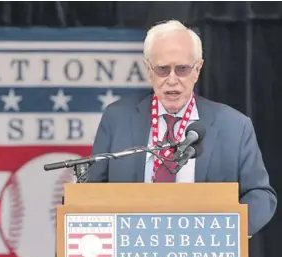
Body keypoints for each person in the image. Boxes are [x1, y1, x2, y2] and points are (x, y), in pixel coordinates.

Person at [88, 20, 276, 235]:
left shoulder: (234, 126)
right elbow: (92, 189)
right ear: (148, 70)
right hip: (130, 250)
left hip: (203, 255)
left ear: (198, 69)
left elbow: (260, 194)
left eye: (183, 69)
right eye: (162, 69)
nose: (172, 80)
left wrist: (227, 235)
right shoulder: (117, 118)